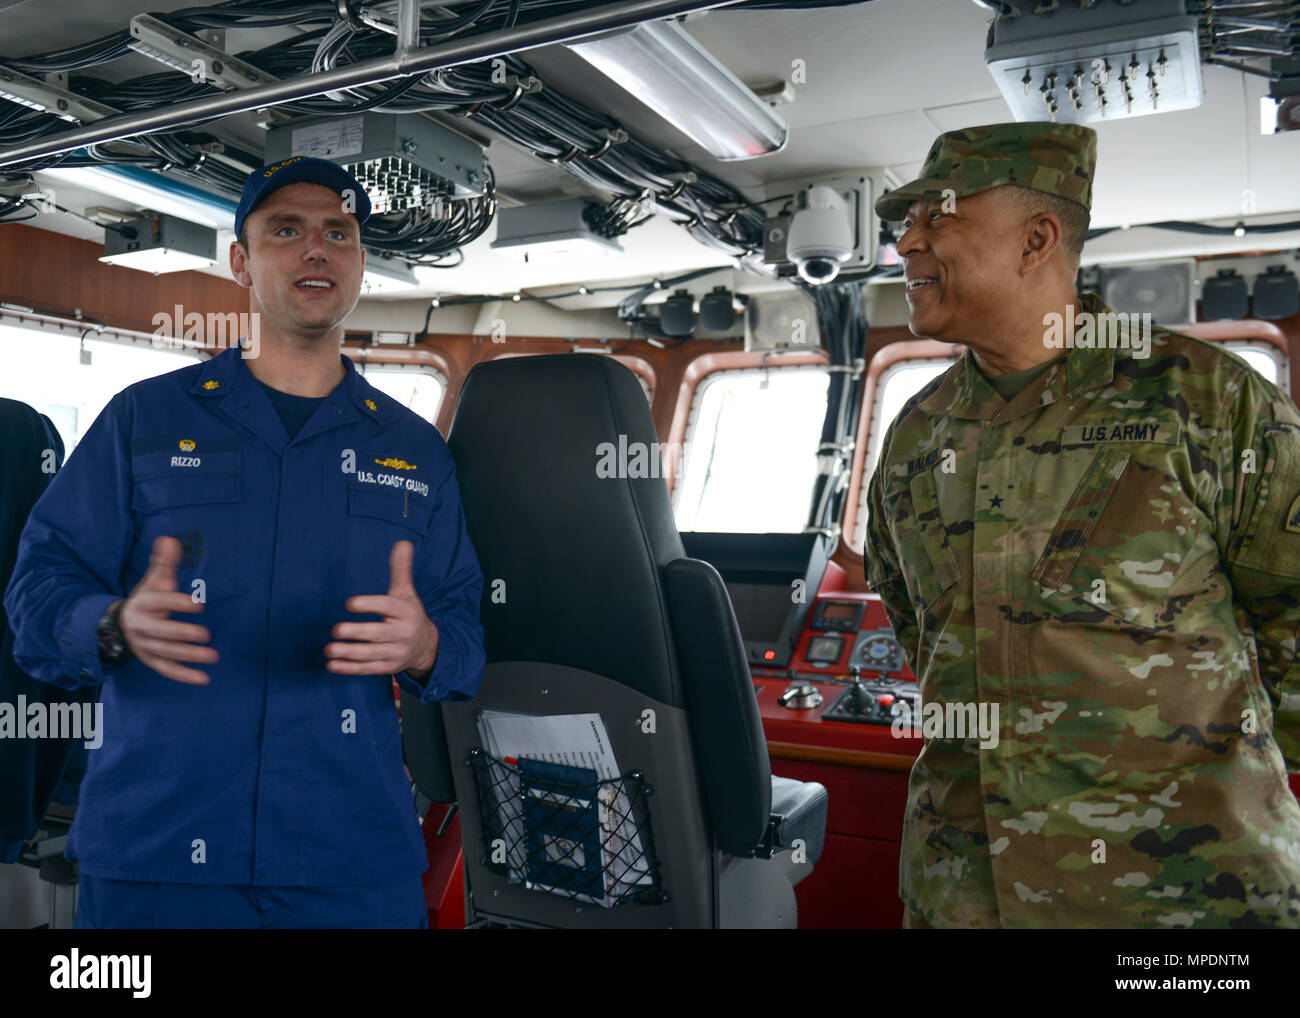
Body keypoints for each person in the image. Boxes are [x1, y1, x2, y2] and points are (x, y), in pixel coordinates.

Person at [3, 156, 486, 929]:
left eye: (339, 232)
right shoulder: (142, 421)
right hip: (157, 855)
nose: (316, 249)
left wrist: (426, 644)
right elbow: (36, 593)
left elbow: (465, 631)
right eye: (285, 230)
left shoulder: (416, 449)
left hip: (349, 860)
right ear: (241, 262)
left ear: (361, 262)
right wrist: (112, 624)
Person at [863, 122, 1300, 929]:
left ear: (1038, 238)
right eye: (905, 221)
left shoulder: (1207, 401)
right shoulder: (916, 434)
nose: (907, 241)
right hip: (967, 897)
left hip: (1182, 901)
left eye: (937, 216)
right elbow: (922, 632)